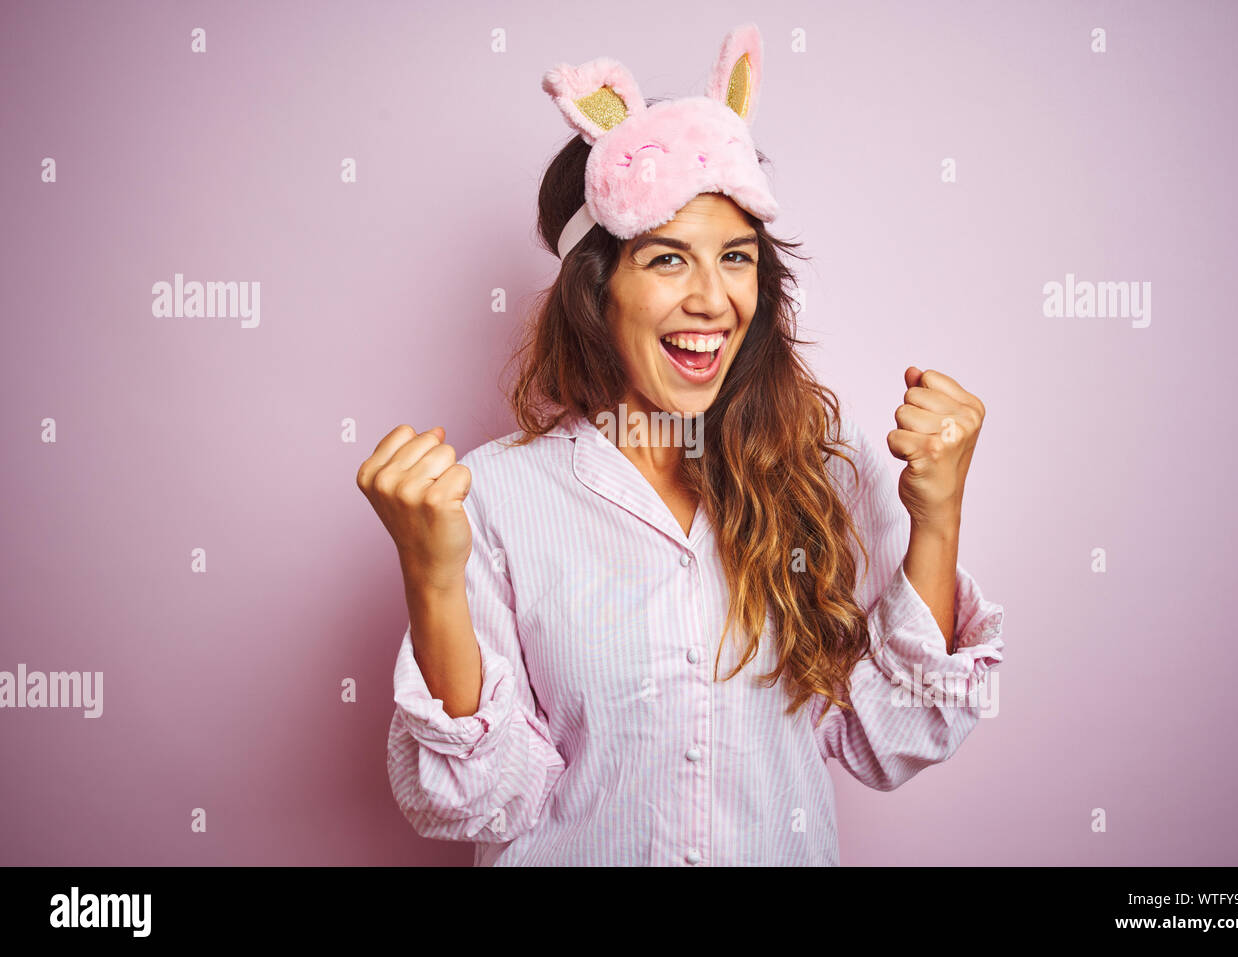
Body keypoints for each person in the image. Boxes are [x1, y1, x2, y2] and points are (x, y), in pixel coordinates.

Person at [357, 23, 1006, 866]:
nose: (711, 298)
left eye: (735, 257)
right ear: (598, 290)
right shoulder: (495, 495)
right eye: (667, 260)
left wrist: (939, 511)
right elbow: (479, 801)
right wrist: (431, 575)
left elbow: (892, 732)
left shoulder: (826, 471)